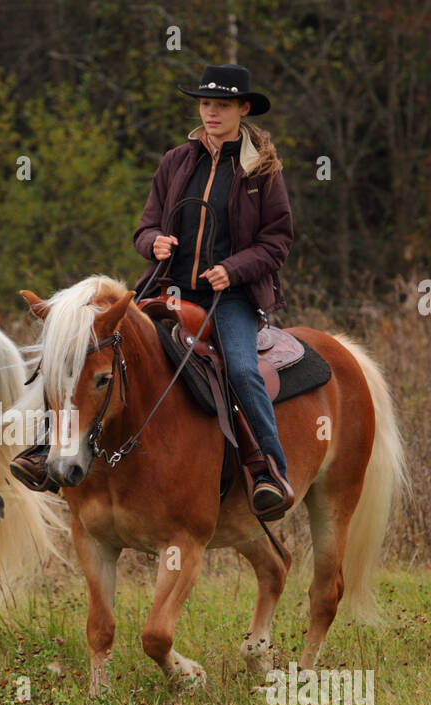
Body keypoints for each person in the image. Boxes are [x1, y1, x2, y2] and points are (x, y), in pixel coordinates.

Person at [132, 64, 296, 517]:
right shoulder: (175, 161)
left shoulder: (262, 170)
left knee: (243, 372)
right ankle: (55, 452)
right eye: (205, 104)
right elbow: (144, 227)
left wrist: (233, 269)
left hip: (232, 299)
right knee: (102, 347)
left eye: (221, 105)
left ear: (243, 109)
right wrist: (154, 242)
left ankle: (270, 472)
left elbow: (278, 241)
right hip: (169, 291)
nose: (210, 113)